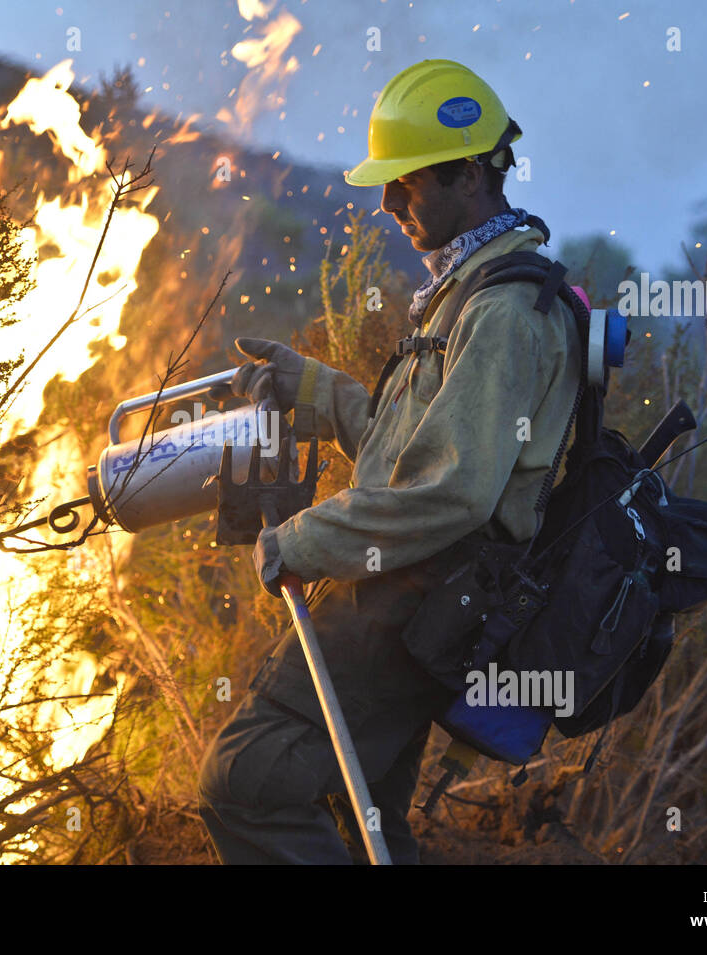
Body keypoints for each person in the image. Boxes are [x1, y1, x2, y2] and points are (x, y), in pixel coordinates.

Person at [196, 59, 584, 864]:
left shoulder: (507, 309)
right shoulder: (467, 291)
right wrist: (317, 390)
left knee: (248, 778)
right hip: (411, 594)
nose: (386, 203)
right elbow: (414, 449)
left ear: (470, 173)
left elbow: (451, 491)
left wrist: (300, 540)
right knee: (361, 814)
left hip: (413, 601)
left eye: (405, 181)